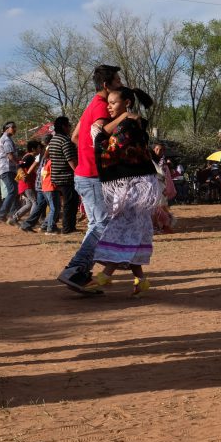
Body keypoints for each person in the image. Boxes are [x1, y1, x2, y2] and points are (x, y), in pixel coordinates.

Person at [84, 87, 162, 296]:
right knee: (132, 228)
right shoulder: (128, 121)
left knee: (122, 227)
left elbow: (108, 148)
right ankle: (141, 280)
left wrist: (100, 132)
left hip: (135, 185)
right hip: (134, 183)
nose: (108, 107)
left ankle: (105, 276)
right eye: (108, 103)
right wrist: (122, 117)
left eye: (113, 103)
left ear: (127, 102)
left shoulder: (128, 125)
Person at [57, 64, 123, 294]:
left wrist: (87, 155)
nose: (120, 84)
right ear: (106, 86)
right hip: (93, 176)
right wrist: (125, 116)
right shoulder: (103, 107)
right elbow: (106, 137)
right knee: (102, 225)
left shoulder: (91, 106)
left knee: (97, 224)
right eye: (117, 81)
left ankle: (80, 273)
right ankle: (74, 269)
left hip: (84, 175)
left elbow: (75, 137)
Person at [47, 116, 79, 234]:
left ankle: (69, 227)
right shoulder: (65, 140)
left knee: (69, 202)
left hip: (57, 176)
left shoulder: (54, 140)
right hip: (66, 177)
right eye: (69, 125)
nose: (70, 128)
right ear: (64, 127)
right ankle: (67, 228)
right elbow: (71, 159)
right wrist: (78, 171)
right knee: (70, 203)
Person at [10, 139, 41, 226]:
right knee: (35, 202)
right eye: (38, 148)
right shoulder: (29, 157)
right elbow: (19, 165)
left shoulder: (28, 157)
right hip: (27, 183)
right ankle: (31, 221)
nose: (40, 150)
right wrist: (23, 175)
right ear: (33, 149)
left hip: (25, 183)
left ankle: (14, 218)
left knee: (29, 203)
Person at [0, 120, 19, 222]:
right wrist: (18, 164)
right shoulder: (6, 139)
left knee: (14, 191)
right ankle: (2, 214)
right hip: (7, 169)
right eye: (13, 127)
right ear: (7, 128)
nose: (15, 129)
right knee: (12, 190)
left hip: (7, 169)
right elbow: (10, 155)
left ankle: (11, 215)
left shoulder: (7, 139)